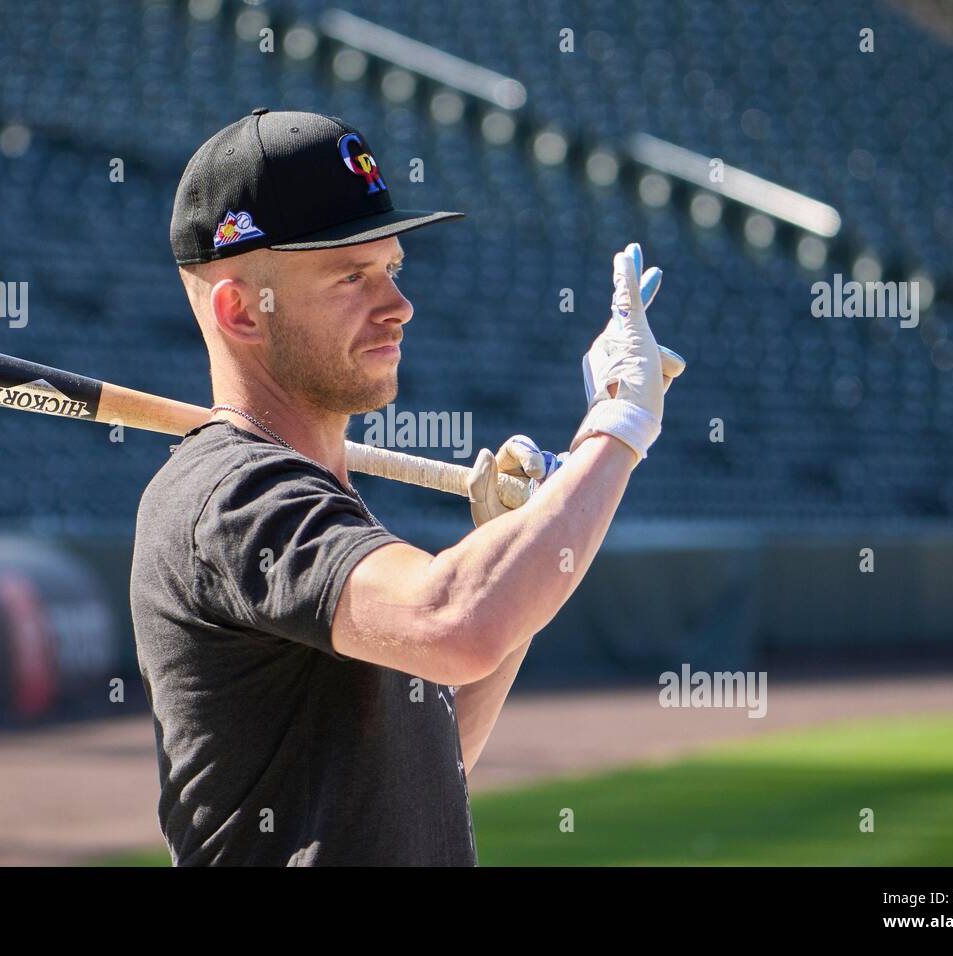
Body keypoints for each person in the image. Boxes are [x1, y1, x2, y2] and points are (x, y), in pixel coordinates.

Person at [130, 108, 679, 865]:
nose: (398, 306)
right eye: (350, 276)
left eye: (390, 269)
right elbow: (453, 624)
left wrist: (506, 546)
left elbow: (424, 770)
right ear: (239, 311)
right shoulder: (232, 495)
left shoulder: (307, 494)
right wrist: (618, 423)